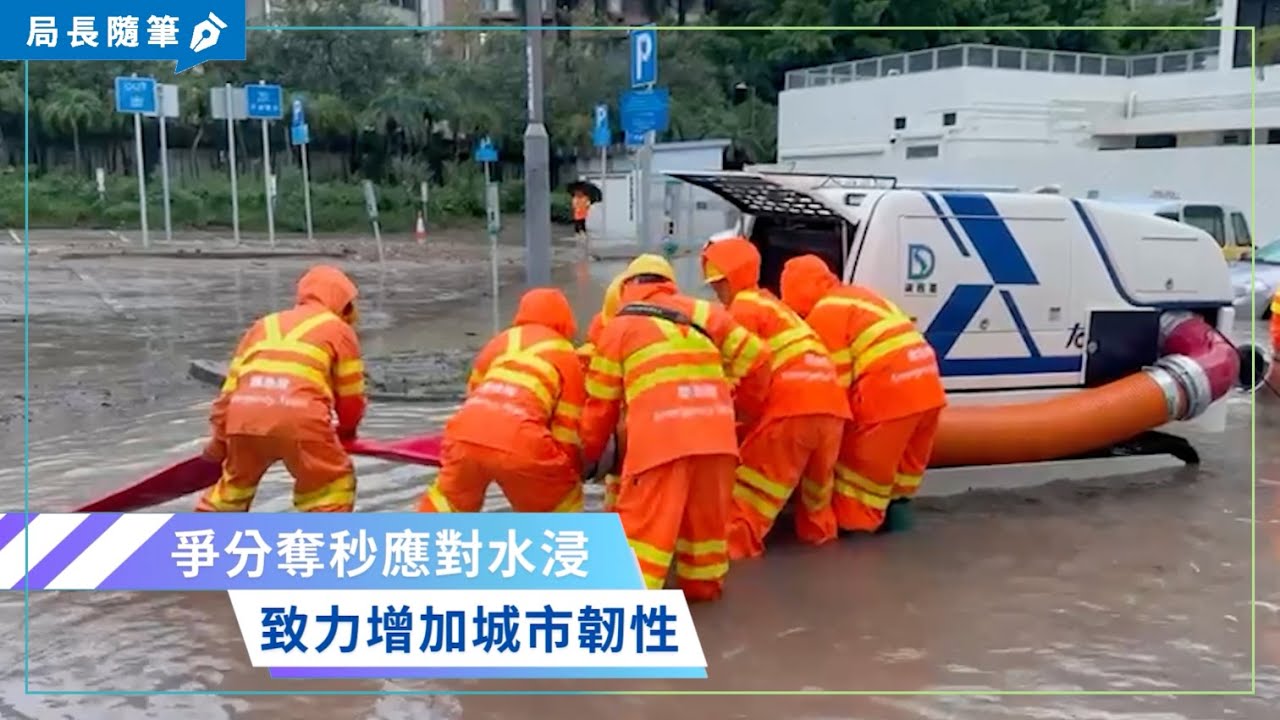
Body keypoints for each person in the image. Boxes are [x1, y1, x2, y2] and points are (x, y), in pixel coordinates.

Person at [579, 254, 770, 601]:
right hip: (717, 442)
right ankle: (705, 614)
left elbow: (599, 406)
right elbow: (757, 358)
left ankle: (624, 623)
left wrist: (589, 457)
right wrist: (736, 407)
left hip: (660, 445)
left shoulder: (620, 327)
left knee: (640, 546)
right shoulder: (708, 313)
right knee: (705, 550)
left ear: (626, 288)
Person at [701, 237, 851, 558]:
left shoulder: (743, 309)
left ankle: (728, 569)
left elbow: (744, 377)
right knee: (816, 513)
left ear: (733, 277)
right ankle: (831, 576)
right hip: (832, 412)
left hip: (790, 412)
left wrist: (735, 419)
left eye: (719, 284)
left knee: (748, 504)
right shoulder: (778, 308)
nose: (718, 292)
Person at [779, 254, 947, 533]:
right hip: (929, 390)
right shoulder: (863, 296)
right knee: (899, 485)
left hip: (890, 399)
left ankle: (856, 550)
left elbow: (836, 388)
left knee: (859, 489)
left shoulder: (826, 313)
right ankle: (900, 535)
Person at [197, 265, 367, 513]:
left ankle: (200, 540)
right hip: (301, 422)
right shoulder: (339, 330)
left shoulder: (263, 325)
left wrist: (219, 443)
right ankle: (320, 547)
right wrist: (345, 434)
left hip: (244, 421)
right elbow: (351, 398)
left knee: (233, 490)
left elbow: (228, 395)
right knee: (330, 487)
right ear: (344, 302)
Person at [418, 288, 586, 514]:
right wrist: (568, 471)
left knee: (447, 504)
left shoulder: (499, 342)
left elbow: (473, 396)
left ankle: (421, 543)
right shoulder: (565, 354)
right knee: (562, 504)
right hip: (522, 445)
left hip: (465, 436)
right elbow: (567, 429)